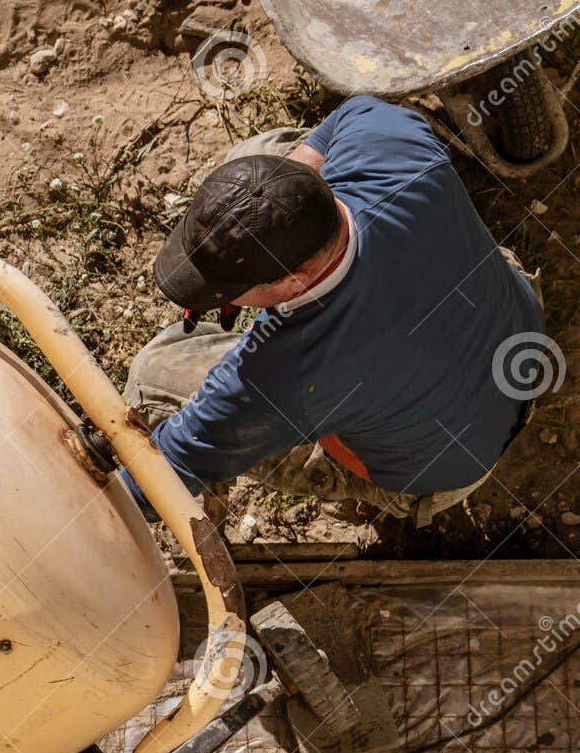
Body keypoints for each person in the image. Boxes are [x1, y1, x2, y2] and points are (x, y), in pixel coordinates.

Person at [121, 96, 547, 526]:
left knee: (156, 371)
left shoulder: (278, 377)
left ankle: (382, 494)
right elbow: (352, 113)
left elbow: (163, 474)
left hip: (443, 471)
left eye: (230, 288)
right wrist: (273, 215)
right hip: (521, 347)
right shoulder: (391, 143)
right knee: (261, 158)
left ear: (295, 279)